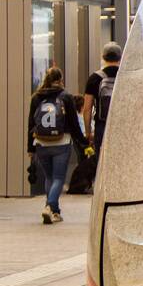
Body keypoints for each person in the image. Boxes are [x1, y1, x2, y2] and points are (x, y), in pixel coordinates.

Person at [28, 67, 91, 224]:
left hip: (41, 142)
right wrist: (83, 143)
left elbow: (30, 124)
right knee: (58, 178)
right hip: (61, 142)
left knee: (49, 177)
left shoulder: (36, 98)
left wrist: (30, 148)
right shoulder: (66, 97)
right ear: (61, 80)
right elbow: (73, 124)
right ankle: (50, 207)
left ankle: (54, 211)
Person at [83, 42, 121, 150]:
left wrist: (88, 132)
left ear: (103, 57)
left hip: (102, 126)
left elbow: (87, 109)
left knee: (101, 161)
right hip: (121, 124)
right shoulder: (125, 76)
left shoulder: (94, 78)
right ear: (120, 57)